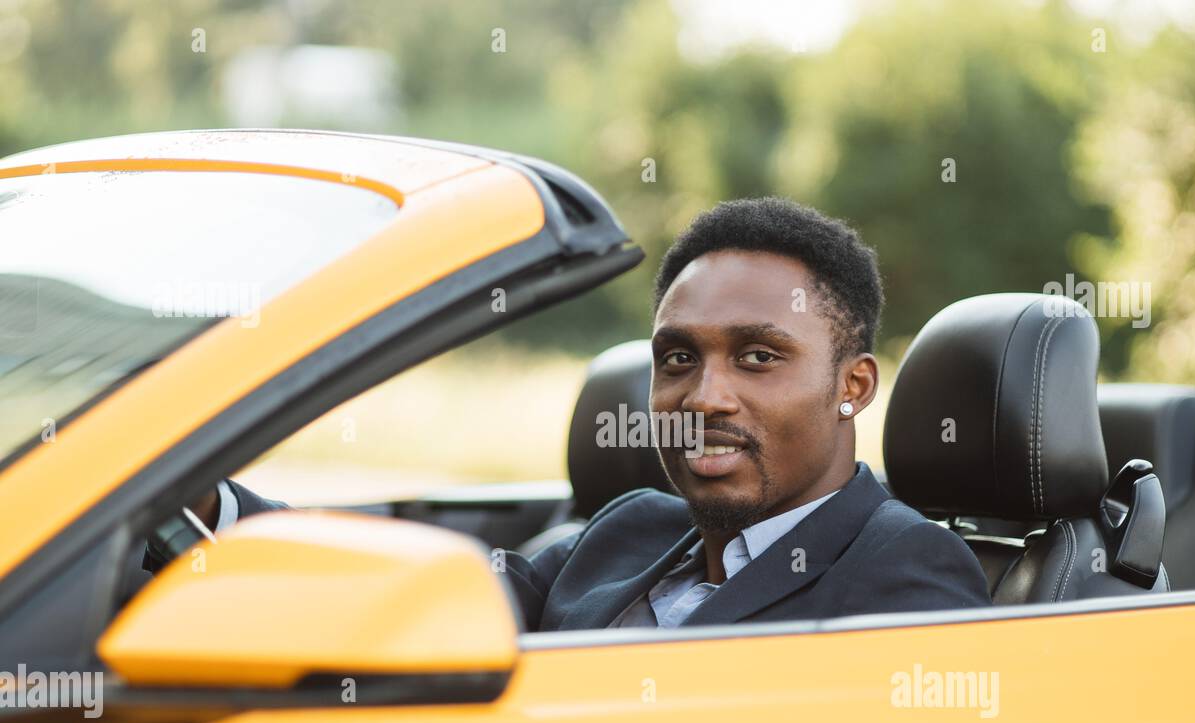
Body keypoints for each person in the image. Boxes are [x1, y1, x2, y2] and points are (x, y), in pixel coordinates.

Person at [178, 198, 991, 630]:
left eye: (757, 357)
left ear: (852, 387)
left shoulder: (909, 571)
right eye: (678, 358)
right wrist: (206, 504)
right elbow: (432, 596)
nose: (704, 397)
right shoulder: (627, 528)